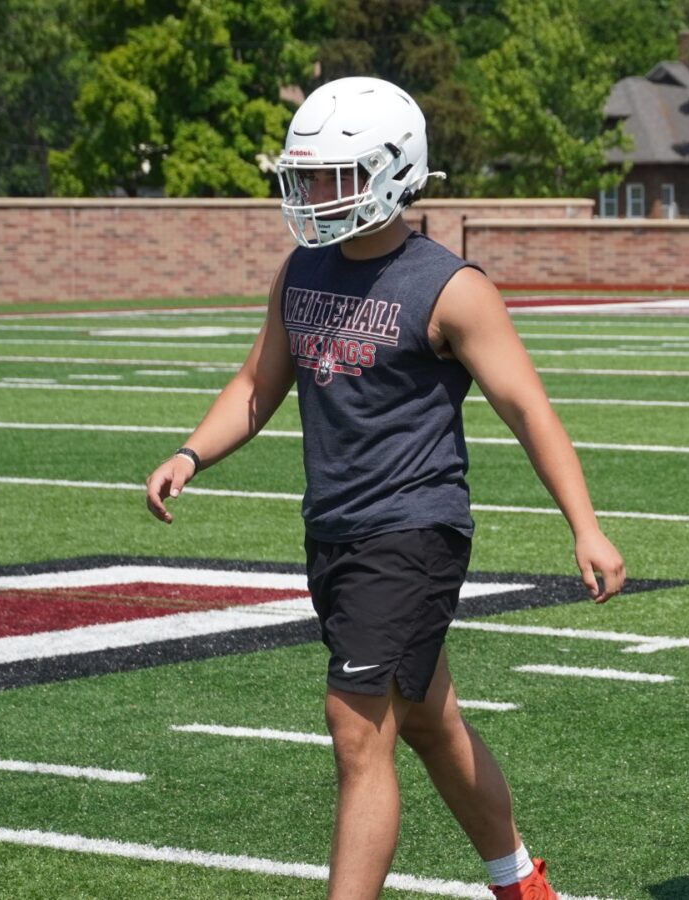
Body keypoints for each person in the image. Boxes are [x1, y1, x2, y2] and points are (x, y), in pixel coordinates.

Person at [144, 76, 625, 900]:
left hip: (412, 531)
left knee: (355, 732)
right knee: (434, 725)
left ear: (395, 170)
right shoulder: (301, 268)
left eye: (337, 175)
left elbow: (527, 409)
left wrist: (585, 525)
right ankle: (524, 887)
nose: (317, 195)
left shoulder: (450, 285)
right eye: (309, 176)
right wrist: (192, 452)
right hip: (334, 530)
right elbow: (258, 383)